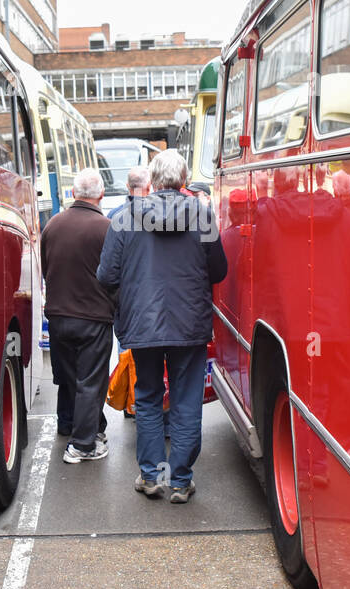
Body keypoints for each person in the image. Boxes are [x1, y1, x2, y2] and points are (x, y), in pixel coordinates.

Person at [97, 149, 226, 502]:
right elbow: (219, 271)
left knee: (149, 398)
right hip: (190, 324)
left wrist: (130, 298)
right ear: (183, 180)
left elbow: (106, 275)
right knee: (186, 401)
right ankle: (180, 480)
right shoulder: (202, 216)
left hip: (144, 325)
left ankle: (152, 475)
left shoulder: (125, 218)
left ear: (152, 181)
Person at [41, 167, 115, 463]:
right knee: (90, 381)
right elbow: (114, 276)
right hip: (93, 317)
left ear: (73, 193)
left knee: (70, 376)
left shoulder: (53, 225)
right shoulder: (107, 228)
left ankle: (70, 424)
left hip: (58, 315)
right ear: (101, 194)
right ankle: (83, 445)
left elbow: (46, 269)